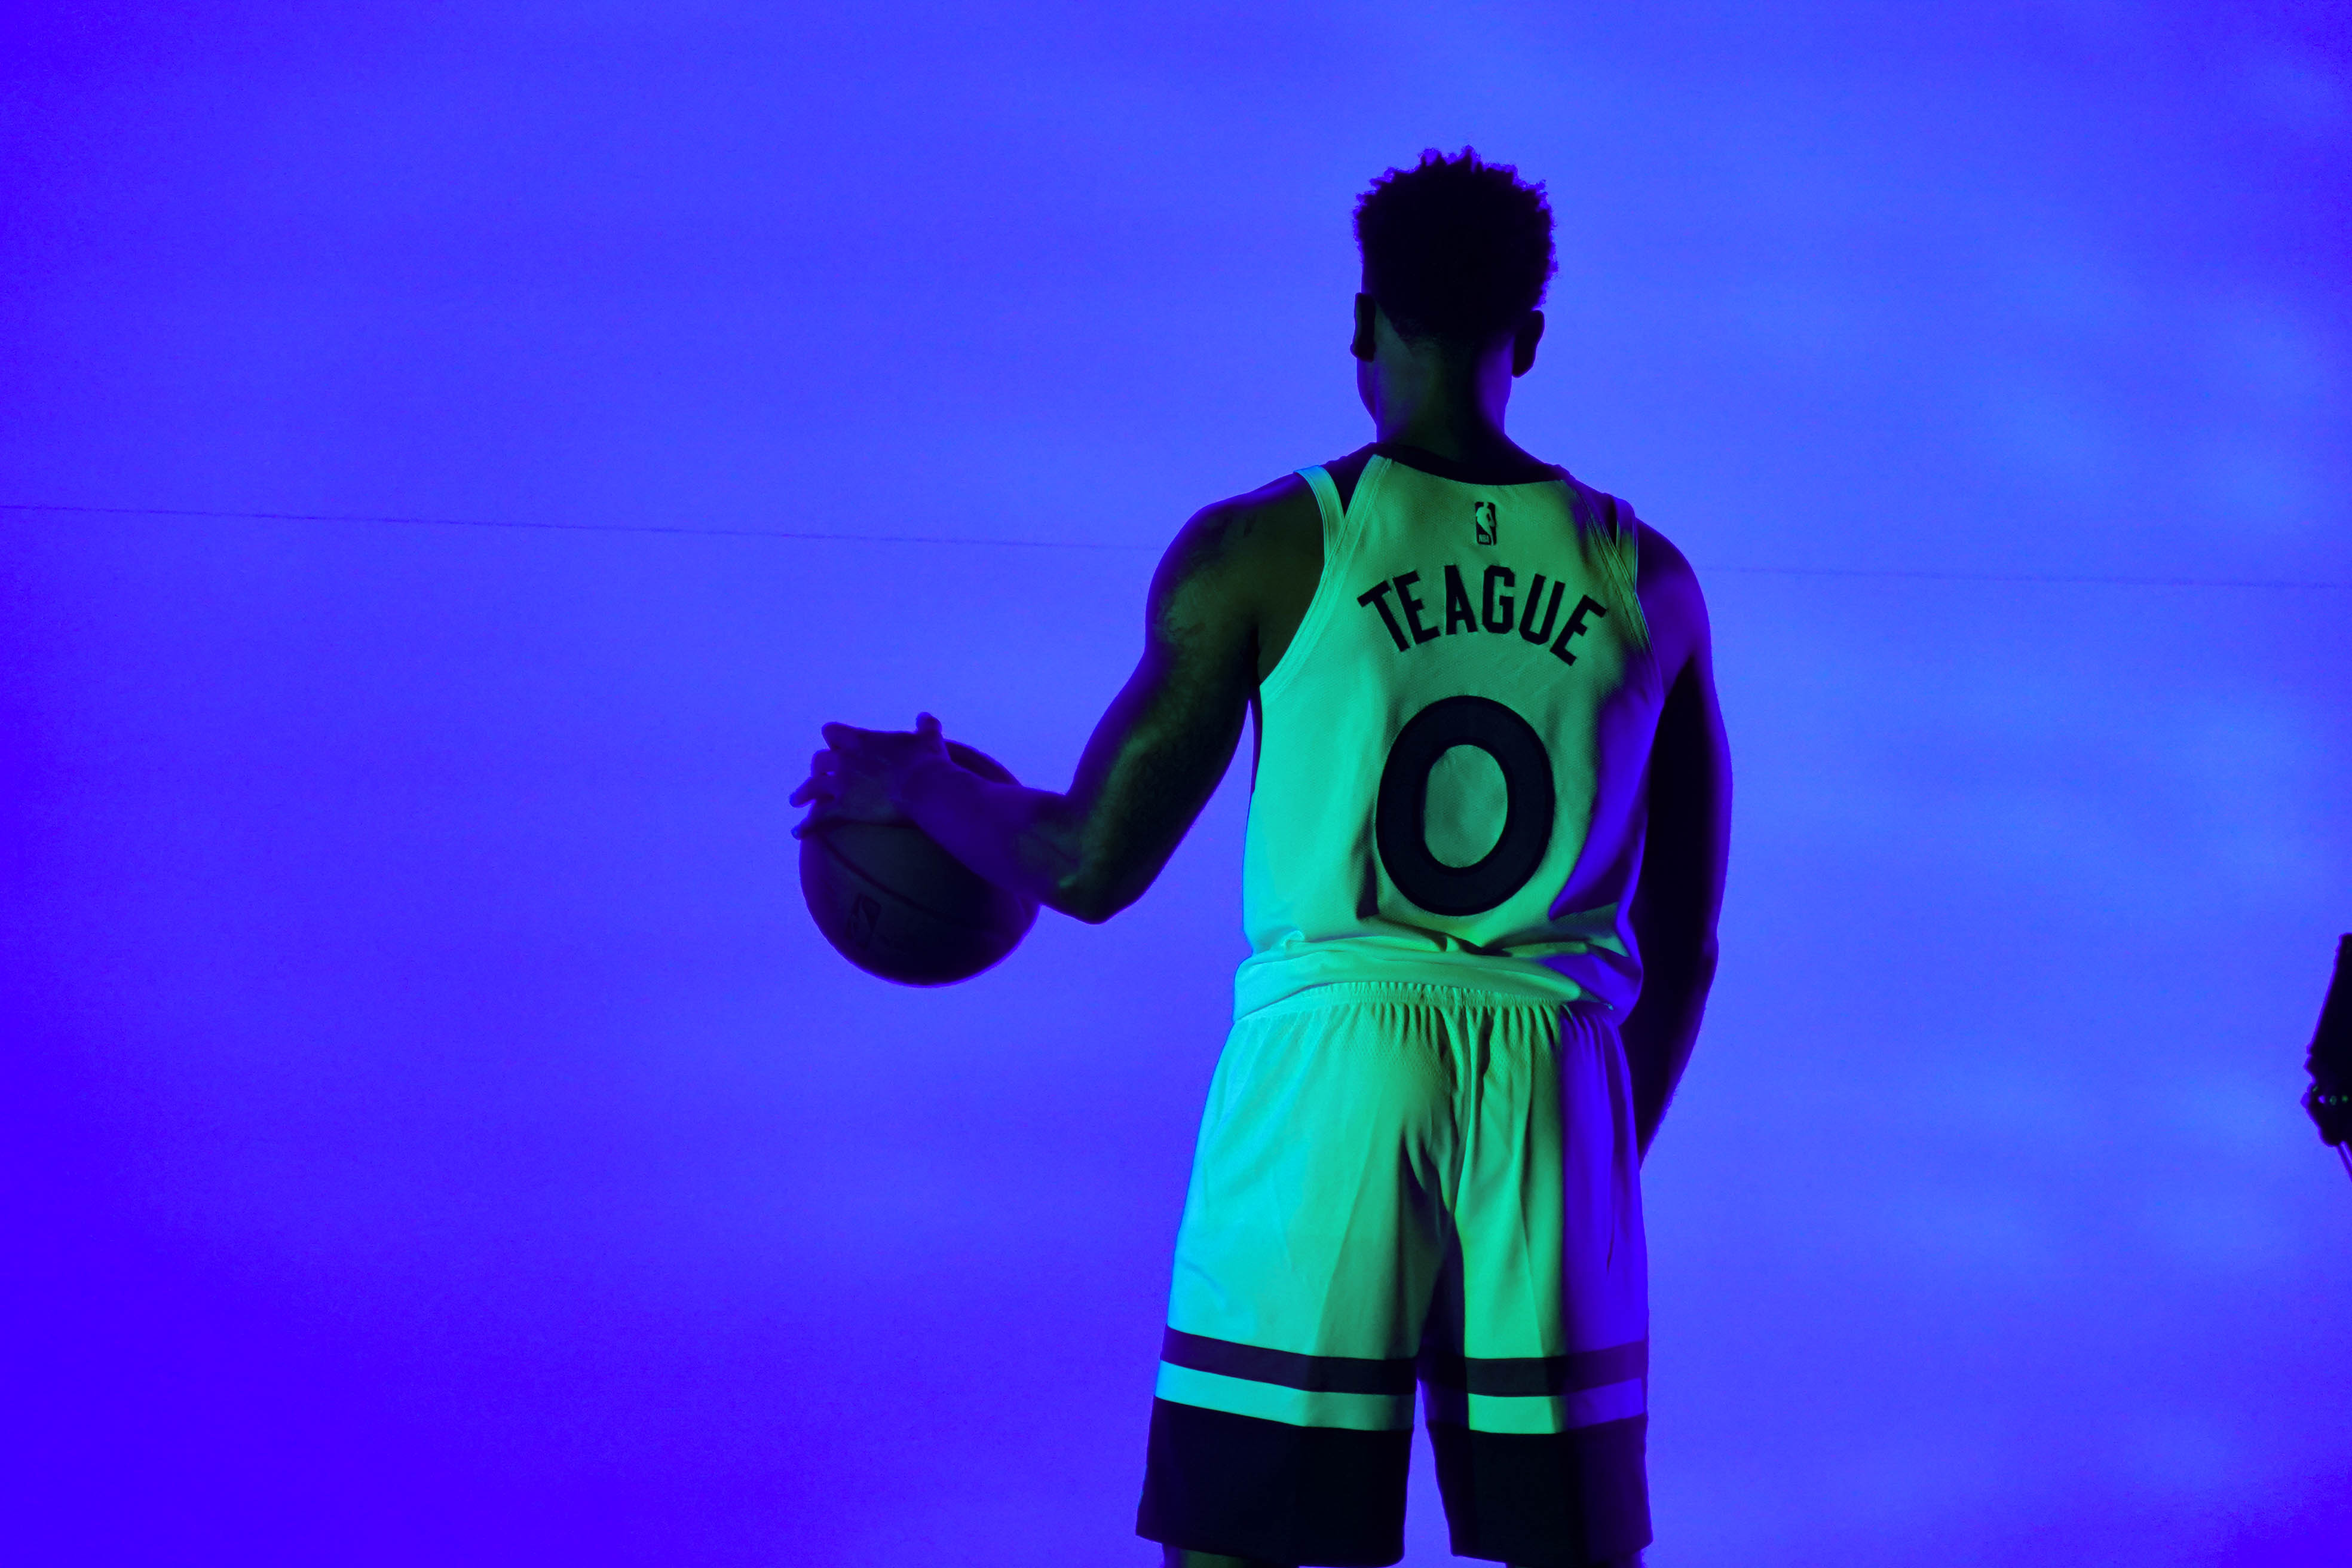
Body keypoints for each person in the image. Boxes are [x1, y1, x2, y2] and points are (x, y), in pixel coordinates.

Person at [791, 148, 1731, 1568]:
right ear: (1527, 338)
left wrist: (917, 778)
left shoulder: (1264, 547)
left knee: (1246, 1547)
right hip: (1556, 1073)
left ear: (1362, 323)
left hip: (1331, 1069)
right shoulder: (1648, 577)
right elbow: (1692, 940)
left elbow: (1089, 863)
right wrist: (1600, 1156)